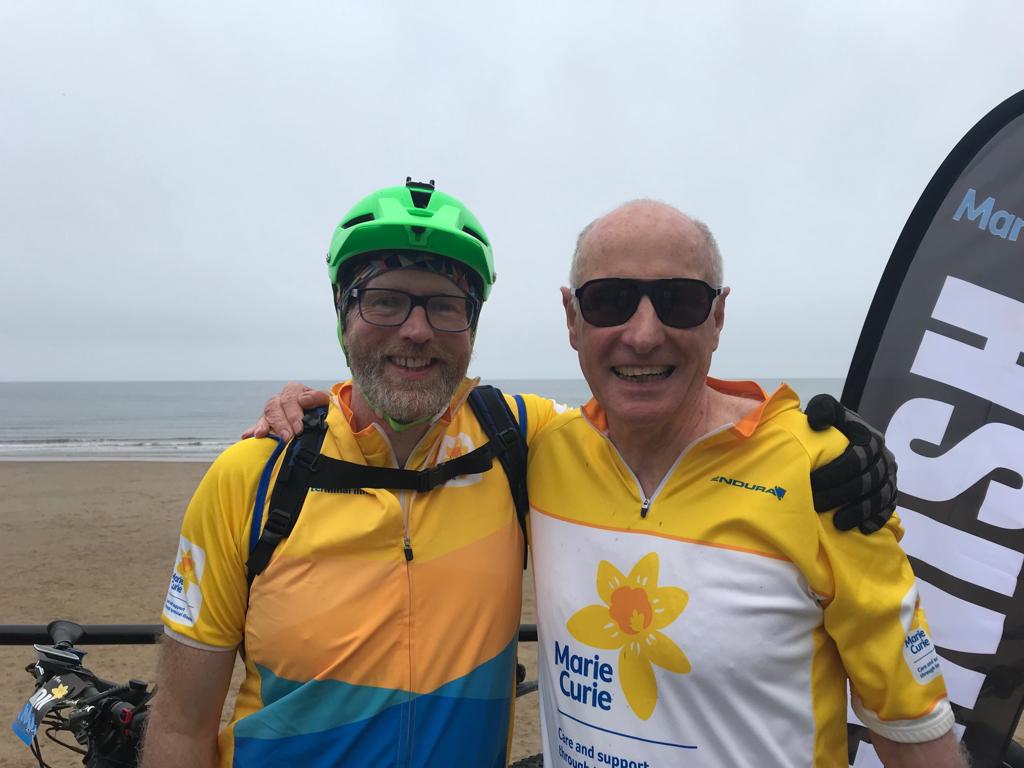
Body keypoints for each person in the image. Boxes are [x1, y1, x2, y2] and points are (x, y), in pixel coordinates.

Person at [144, 181, 896, 768]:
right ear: (343, 313)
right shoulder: (256, 477)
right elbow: (179, 725)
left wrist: (828, 442)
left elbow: (647, 416)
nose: (416, 330)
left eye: (445, 306)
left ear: (472, 327)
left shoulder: (518, 443)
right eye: (385, 301)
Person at [526, 200, 964, 766]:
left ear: (717, 317)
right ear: (572, 318)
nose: (644, 334)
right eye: (610, 300)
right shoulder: (540, 448)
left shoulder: (822, 475)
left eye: (680, 301)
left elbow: (913, 733)